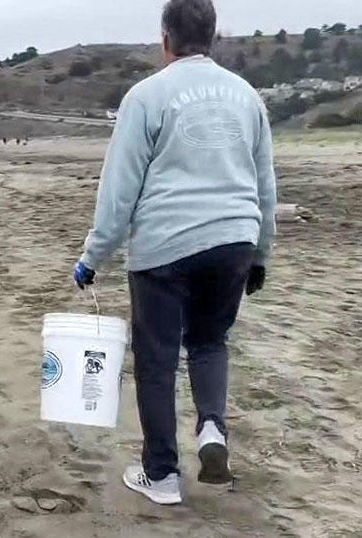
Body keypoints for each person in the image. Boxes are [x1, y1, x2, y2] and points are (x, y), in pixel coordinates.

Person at [72, 0, 276, 506]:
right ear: (213, 36)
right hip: (234, 238)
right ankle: (211, 428)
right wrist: (260, 255)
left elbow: (119, 191)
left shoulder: (146, 96)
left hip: (164, 246)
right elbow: (265, 185)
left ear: (165, 39)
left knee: (157, 360)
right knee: (209, 342)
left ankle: (161, 474)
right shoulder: (246, 96)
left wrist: (93, 256)